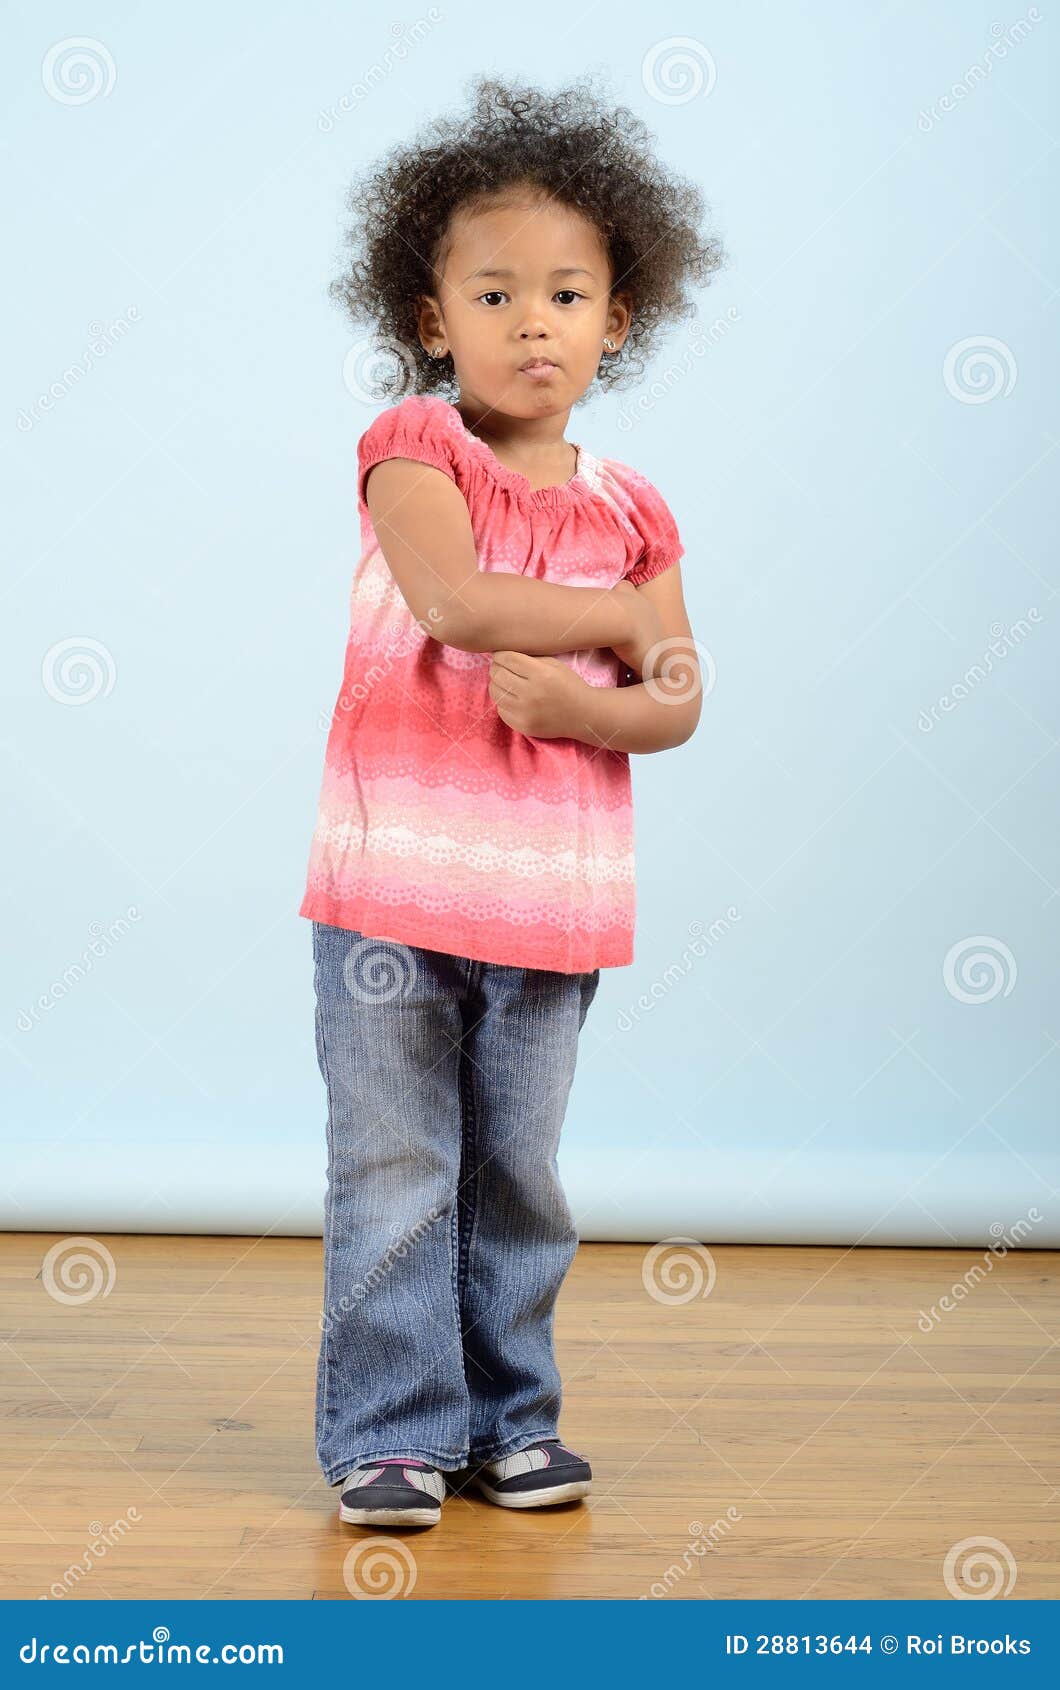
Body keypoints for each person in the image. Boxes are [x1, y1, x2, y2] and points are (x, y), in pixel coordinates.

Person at [299, 73, 724, 1528]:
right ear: (433, 321)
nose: (531, 321)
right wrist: (602, 623)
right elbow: (452, 596)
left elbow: (676, 689)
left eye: (566, 293)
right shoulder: (420, 448)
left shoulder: (634, 506)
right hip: (389, 887)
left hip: (549, 895)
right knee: (397, 1160)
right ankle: (390, 1430)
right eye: (493, 293)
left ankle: (510, 1421)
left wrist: (590, 702)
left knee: (522, 1171)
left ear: (621, 319)